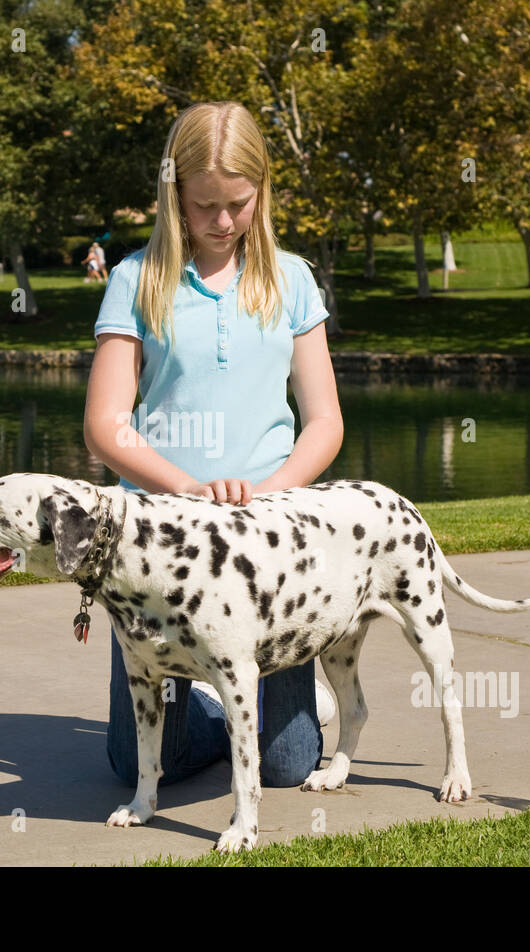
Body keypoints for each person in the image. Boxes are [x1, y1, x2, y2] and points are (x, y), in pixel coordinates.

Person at [85, 101, 344, 792]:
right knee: (139, 766)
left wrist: (270, 492)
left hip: (271, 539)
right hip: (160, 542)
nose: (223, 222)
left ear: (262, 192)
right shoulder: (135, 279)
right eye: (204, 206)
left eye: (238, 203)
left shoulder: (291, 280)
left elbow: (324, 423)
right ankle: (203, 695)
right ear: (174, 195)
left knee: (290, 766)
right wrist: (190, 492)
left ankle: (262, 693)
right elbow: (106, 426)